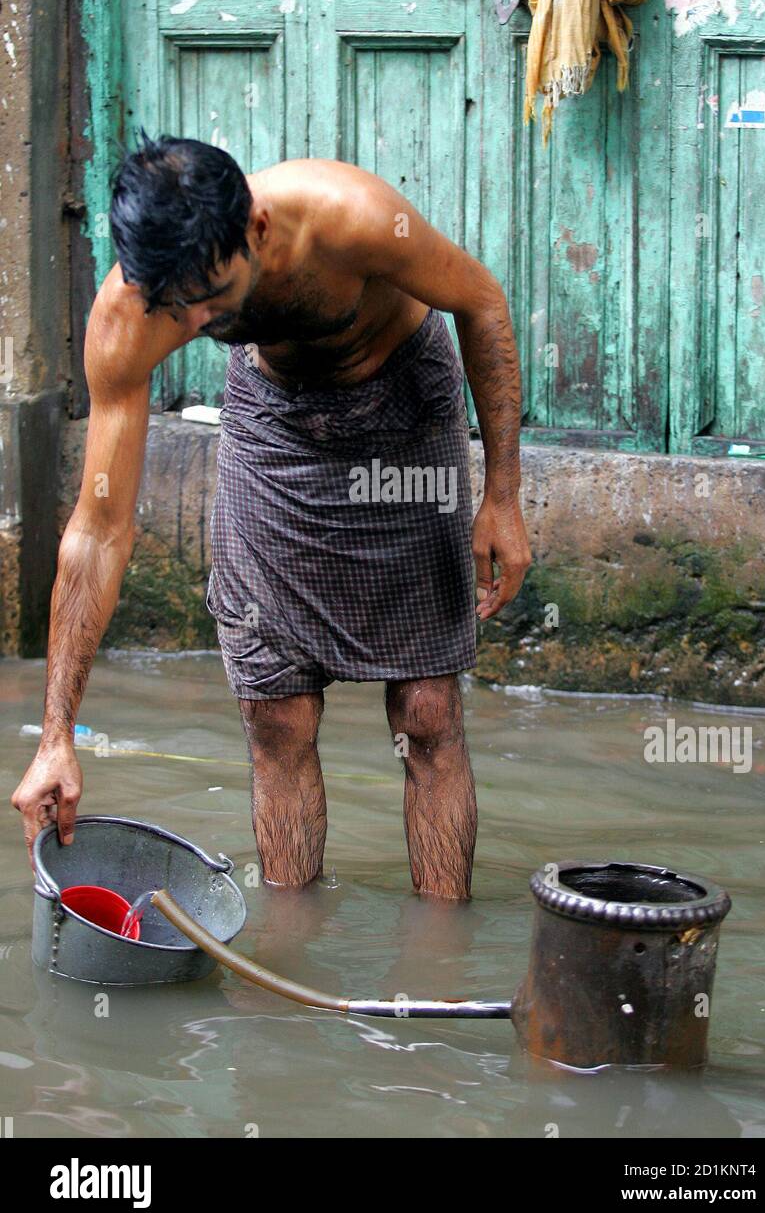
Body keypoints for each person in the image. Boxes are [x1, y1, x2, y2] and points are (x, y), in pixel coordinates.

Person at [12, 131, 530, 900]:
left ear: (255, 230)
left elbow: (482, 300)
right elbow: (97, 529)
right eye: (175, 308)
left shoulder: (351, 217)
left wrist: (503, 496)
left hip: (402, 405)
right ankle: (292, 946)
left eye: (212, 299)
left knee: (425, 712)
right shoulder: (131, 312)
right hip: (274, 423)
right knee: (274, 713)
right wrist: (56, 735)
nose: (192, 324)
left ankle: (438, 956)